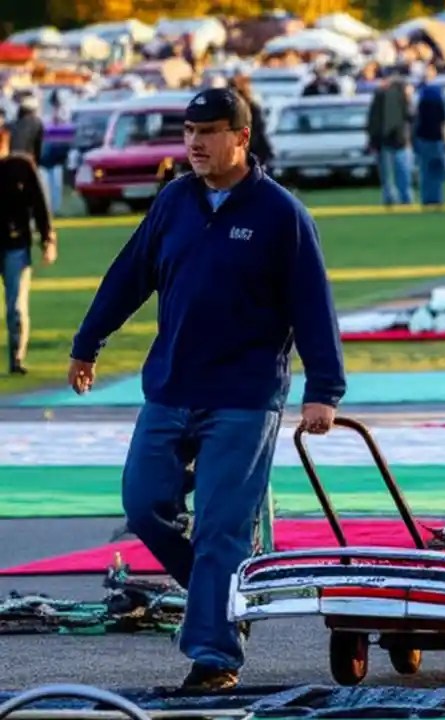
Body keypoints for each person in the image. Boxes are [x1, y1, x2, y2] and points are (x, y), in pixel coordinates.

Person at [66, 89, 346, 691]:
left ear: (241, 138)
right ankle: (221, 594)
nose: (195, 142)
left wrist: (325, 388)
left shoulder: (280, 214)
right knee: (143, 504)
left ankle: (215, 658)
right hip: (171, 386)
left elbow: (313, 306)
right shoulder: (174, 202)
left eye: (210, 131)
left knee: (221, 526)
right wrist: (88, 341)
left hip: (244, 397)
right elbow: (128, 275)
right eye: (190, 130)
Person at [0, 127, 55, 375]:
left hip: (15, 244)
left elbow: (40, 204)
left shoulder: (21, 167)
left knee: (16, 307)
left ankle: (16, 358)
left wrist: (48, 239)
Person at [367, 70, 414, 206]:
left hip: (385, 140)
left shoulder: (380, 95)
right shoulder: (401, 95)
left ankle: (390, 199)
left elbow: (374, 120)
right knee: (403, 173)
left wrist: (373, 139)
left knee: (387, 175)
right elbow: (409, 116)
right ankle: (405, 198)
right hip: (399, 139)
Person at [413, 64, 445, 207]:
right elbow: (444, 120)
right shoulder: (439, 103)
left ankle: (427, 198)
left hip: (424, 138)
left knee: (425, 170)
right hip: (437, 138)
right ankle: (437, 198)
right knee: (436, 170)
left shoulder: (421, 103)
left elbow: (416, 120)